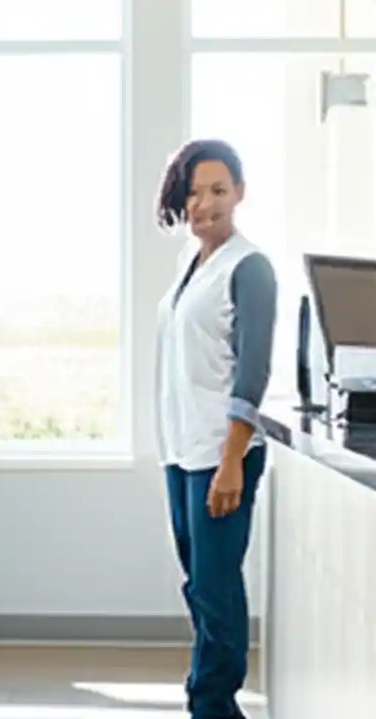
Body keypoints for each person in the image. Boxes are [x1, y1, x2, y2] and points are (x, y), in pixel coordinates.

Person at [154, 140, 277, 719]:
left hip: (221, 453)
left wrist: (233, 458)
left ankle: (212, 705)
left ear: (240, 194)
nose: (205, 203)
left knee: (216, 588)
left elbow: (252, 370)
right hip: (182, 452)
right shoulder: (192, 264)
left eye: (218, 190)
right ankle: (208, 701)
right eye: (195, 191)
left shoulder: (249, 267)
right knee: (199, 586)